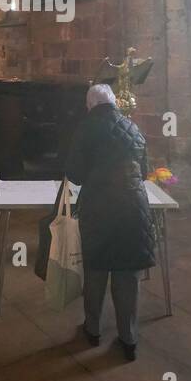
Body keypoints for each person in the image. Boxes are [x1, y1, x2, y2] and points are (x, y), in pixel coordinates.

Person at [65, 83, 155, 361]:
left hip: (99, 208)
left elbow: (76, 174)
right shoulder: (134, 127)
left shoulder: (85, 129)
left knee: (96, 268)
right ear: (114, 103)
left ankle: (93, 330)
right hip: (133, 208)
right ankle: (128, 338)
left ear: (90, 105)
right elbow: (144, 171)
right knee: (128, 273)